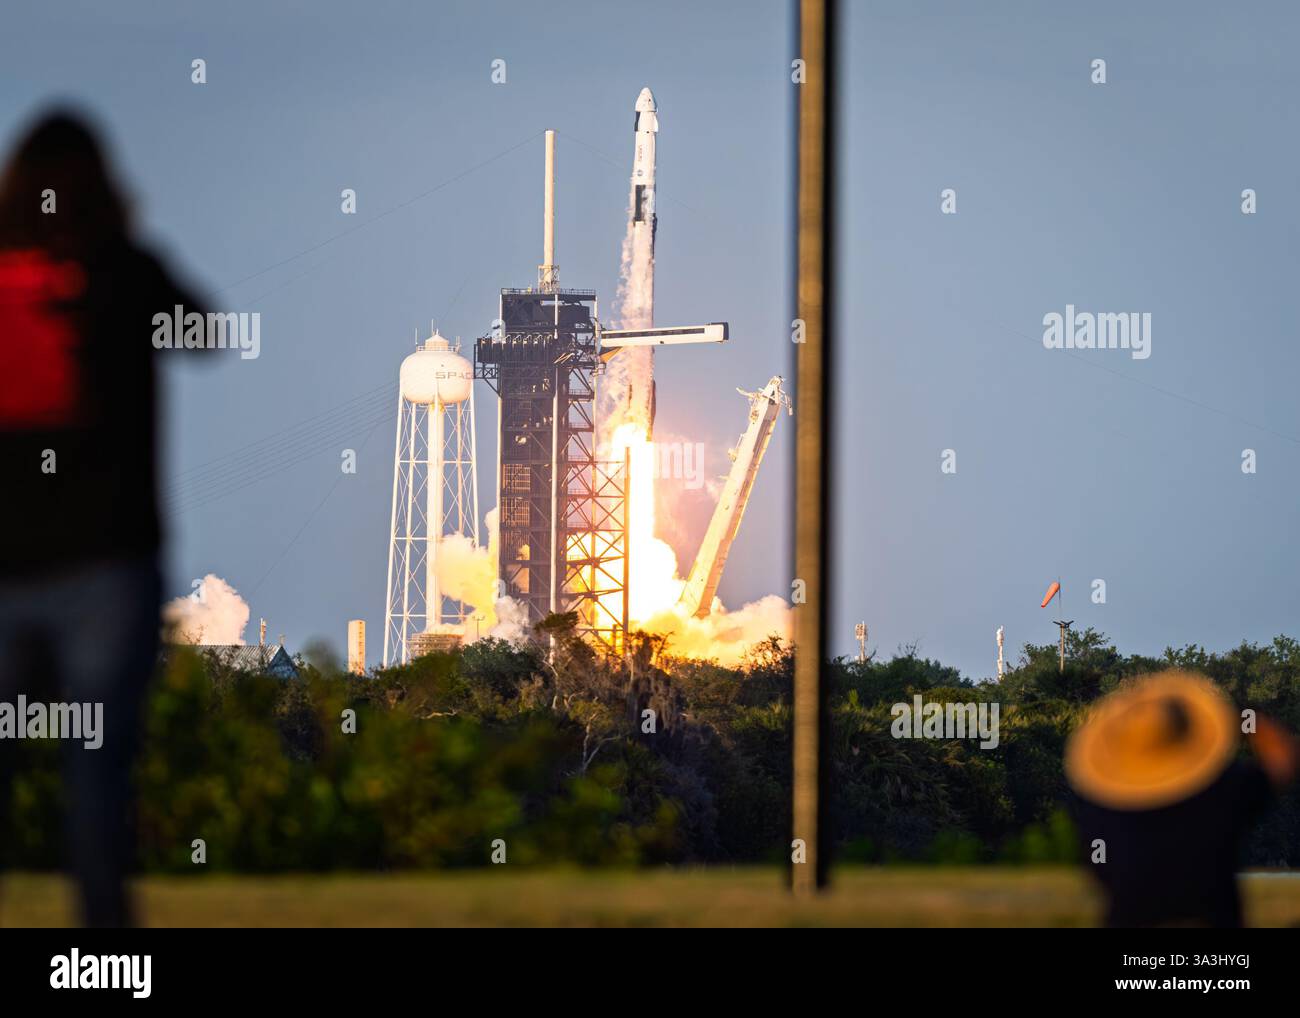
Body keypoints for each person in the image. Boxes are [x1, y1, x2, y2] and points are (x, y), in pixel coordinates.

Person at [0, 108, 209, 926]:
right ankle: (104, 964)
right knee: (97, 776)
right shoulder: (124, 269)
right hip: (109, 569)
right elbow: (207, 329)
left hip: (8, 573)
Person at [1066, 668, 1298, 928]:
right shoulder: (1220, 792)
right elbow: (1282, 761)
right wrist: (1246, 718)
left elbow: (1096, 866)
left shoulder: (1101, 812)